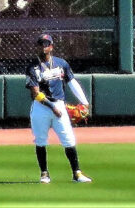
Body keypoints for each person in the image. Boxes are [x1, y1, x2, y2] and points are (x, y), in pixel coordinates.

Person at [26, 33, 92, 184]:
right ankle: (44, 174)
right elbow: (35, 93)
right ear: (37, 47)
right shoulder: (32, 67)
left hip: (59, 105)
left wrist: (84, 102)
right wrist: (51, 107)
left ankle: (77, 173)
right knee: (41, 140)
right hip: (41, 107)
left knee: (68, 139)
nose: (44, 46)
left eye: (46, 44)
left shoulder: (61, 63)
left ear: (51, 47)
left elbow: (72, 82)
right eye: (41, 44)